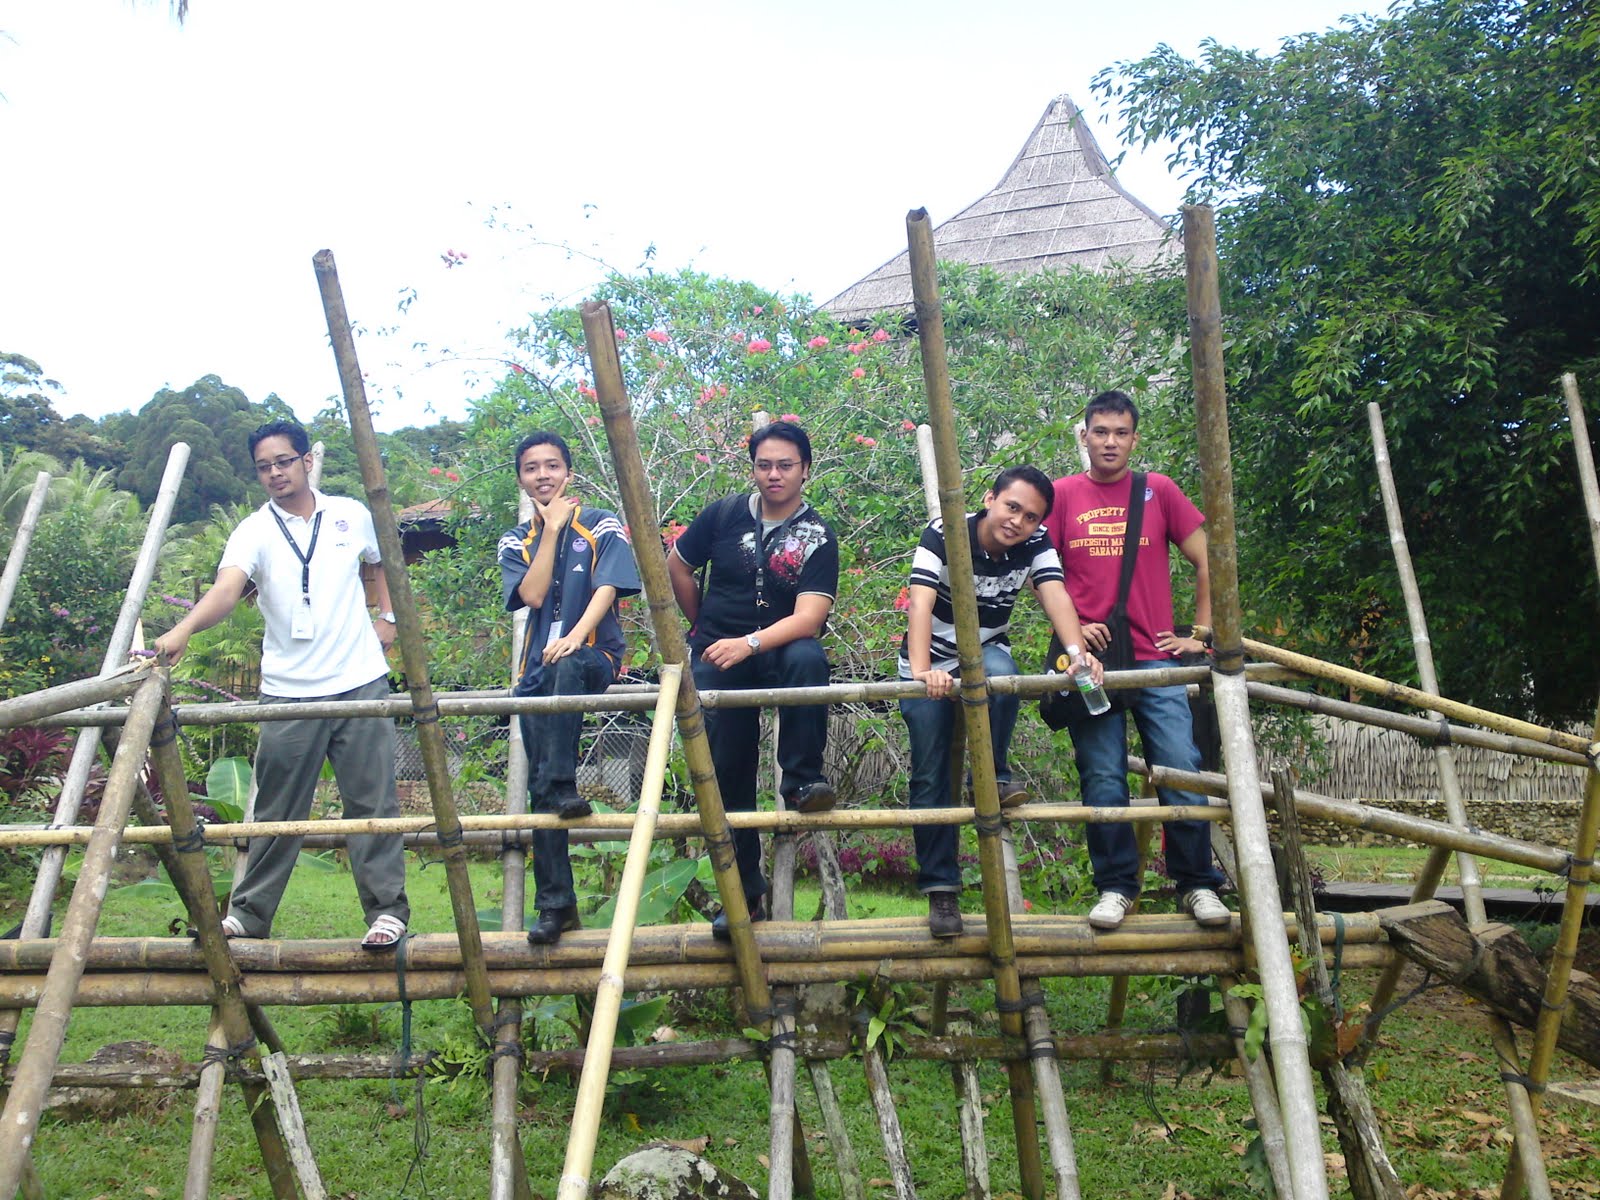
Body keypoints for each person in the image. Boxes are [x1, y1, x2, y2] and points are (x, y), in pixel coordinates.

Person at [152, 420, 410, 948]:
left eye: (284, 461)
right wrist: (181, 629)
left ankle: (387, 913)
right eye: (264, 466)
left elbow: (383, 561)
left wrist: (389, 619)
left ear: (305, 461)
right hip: (289, 691)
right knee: (277, 809)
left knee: (372, 801)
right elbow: (227, 591)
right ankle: (248, 915)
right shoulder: (254, 529)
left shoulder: (350, 514)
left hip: (359, 681)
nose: (275, 473)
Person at [1042, 390, 1230, 930]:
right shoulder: (1059, 495)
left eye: (1120, 432)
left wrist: (1201, 634)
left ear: (1133, 438)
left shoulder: (1159, 491)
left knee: (1180, 769)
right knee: (1101, 776)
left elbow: (1209, 559)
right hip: (1089, 663)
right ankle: (1116, 887)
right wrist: (1074, 629)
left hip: (1155, 658)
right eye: (1099, 431)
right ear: (1084, 435)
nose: (1109, 441)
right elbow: (1042, 574)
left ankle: (1197, 884)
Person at [899, 465, 1101, 937]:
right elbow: (920, 603)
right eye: (1012, 507)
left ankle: (993, 774)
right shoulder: (945, 532)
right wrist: (924, 668)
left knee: (1005, 673)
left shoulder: (1035, 544)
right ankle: (941, 890)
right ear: (990, 498)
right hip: (929, 657)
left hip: (985, 654)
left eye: (1030, 517)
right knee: (929, 774)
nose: (1018, 522)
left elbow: (1055, 596)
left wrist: (1078, 656)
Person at [667, 421, 838, 939]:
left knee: (809, 659)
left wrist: (753, 642)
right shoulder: (722, 515)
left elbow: (810, 617)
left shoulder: (818, 535)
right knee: (727, 773)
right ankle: (744, 893)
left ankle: (802, 778)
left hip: (780, 649)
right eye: (764, 465)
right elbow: (677, 566)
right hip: (720, 655)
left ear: (806, 470)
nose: (774, 475)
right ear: (753, 469)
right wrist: (705, 629)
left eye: (786, 465)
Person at [498, 431, 640, 946]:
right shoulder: (516, 539)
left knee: (566, 666)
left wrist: (577, 636)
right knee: (539, 789)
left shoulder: (601, 522)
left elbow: (609, 585)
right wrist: (552, 531)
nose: (542, 475)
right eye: (531, 468)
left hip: (593, 656)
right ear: (521, 478)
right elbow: (531, 595)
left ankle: (563, 783)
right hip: (534, 672)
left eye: (552, 466)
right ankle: (557, 905)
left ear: (569, 473)